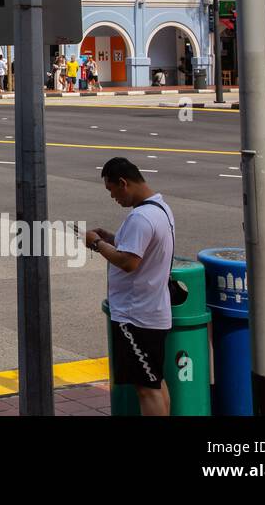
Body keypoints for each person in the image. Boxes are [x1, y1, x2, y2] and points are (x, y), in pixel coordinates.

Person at [85, 158, 176, 417]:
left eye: (111, 190)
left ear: (123, 183)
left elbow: (128, 261)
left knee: (147, 390)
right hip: (152, 311)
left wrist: (95, 244)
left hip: (136, 317)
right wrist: (112, 238)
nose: (113, 197)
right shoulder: (160, 208)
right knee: (154, 382)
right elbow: (138, 248)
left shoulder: (141, 217)